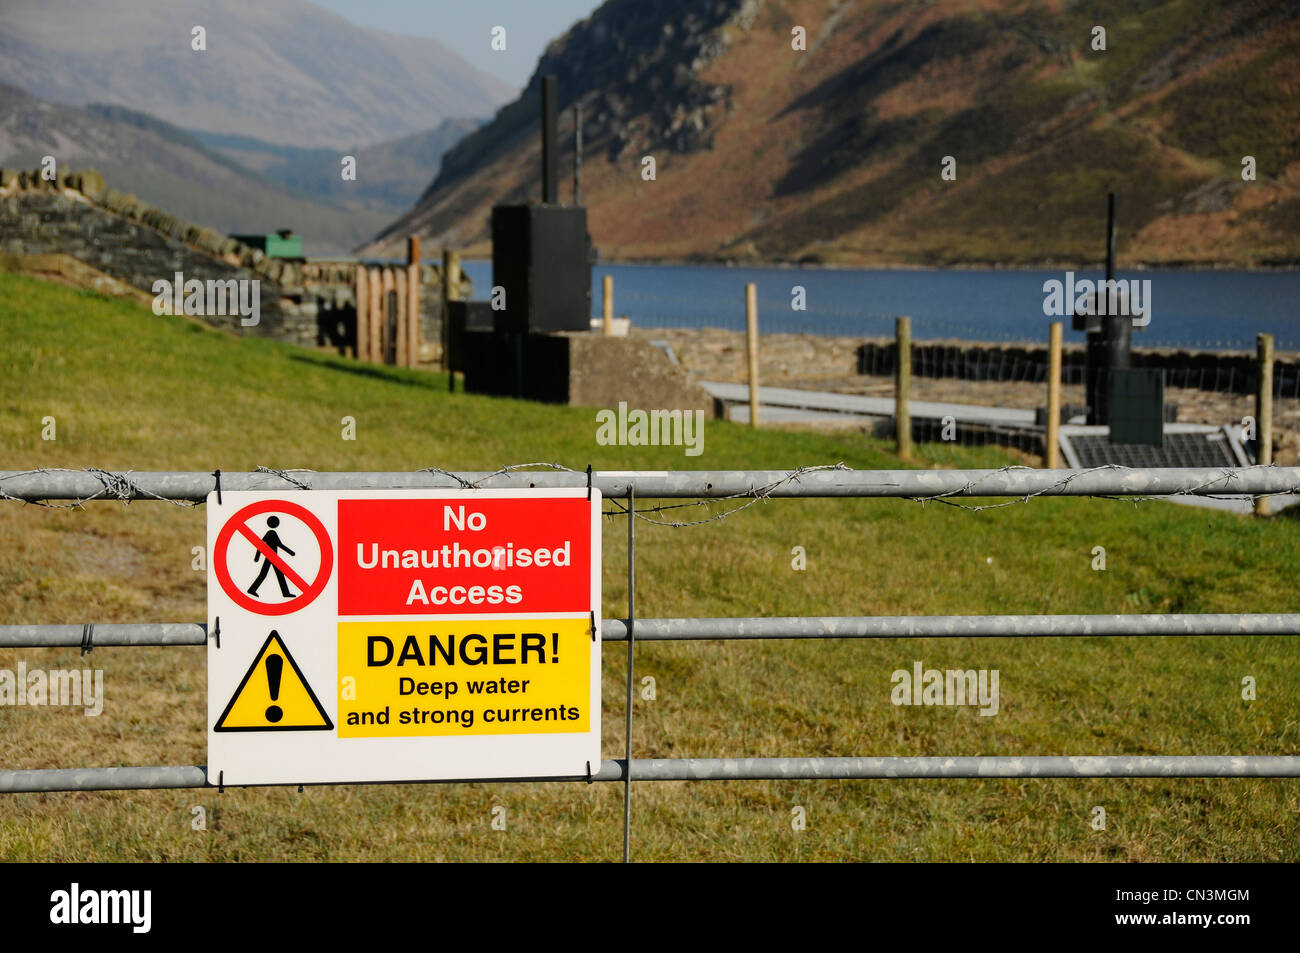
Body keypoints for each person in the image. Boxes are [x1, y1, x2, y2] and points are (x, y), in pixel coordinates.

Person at [248, 515, 297, 598]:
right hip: (271, 557)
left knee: (275, 574)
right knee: (267, 574)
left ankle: (253, 589)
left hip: (272, 557)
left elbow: (263, 544)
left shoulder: (271, 533)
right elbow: (278, 545)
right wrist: (290, 552)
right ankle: (252, 590)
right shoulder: (271, 533)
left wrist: (257, 557)